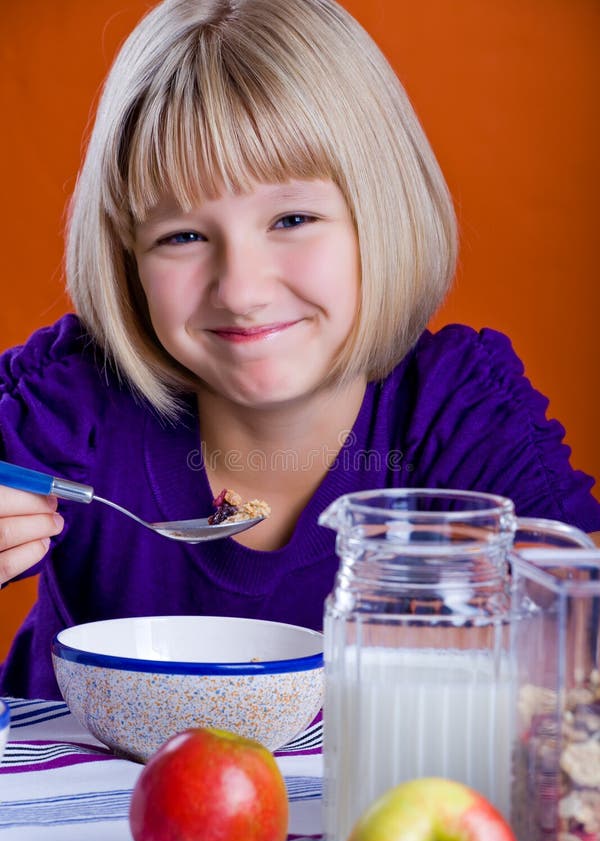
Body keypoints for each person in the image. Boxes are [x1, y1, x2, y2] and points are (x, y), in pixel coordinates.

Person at [1, 0, 599, 701]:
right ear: (127, 256)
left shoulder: (457, 414)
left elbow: (579, 630)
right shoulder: (69, 402)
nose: (244, 290)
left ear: (380, 215)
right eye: (183, 236)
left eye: (292, 219)